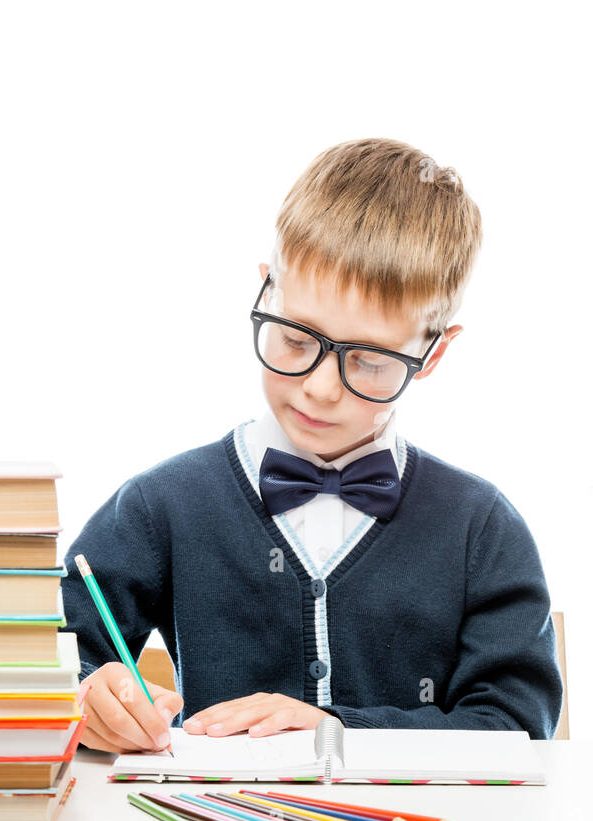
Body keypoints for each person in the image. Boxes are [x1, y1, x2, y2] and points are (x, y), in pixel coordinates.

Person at [63, 138, 562, 753]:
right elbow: (45, 659)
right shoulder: (161, 506)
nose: (321, 389)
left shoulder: (482, 528)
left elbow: (516, 727)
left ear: (433, 354)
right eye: (297, 340)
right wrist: (89, 698)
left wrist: (343, 733)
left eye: (372, 361)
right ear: (267, 290)